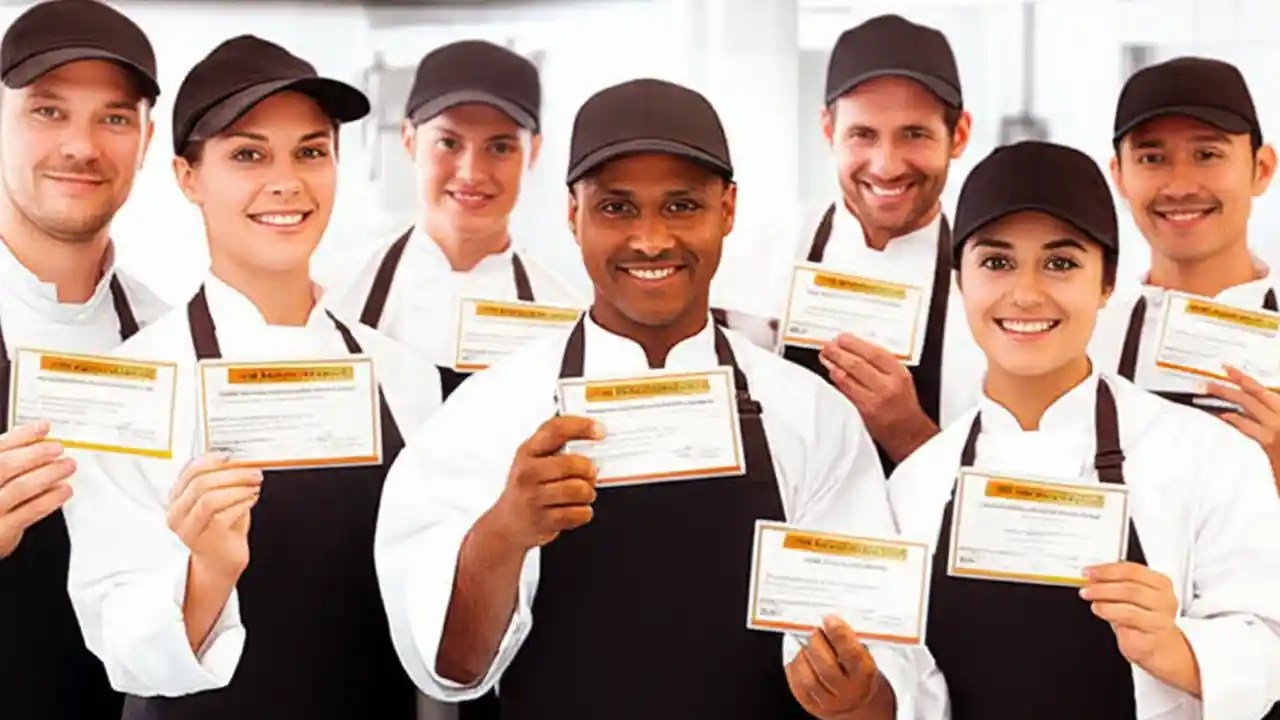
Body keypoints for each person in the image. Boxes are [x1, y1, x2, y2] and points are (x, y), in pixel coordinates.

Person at [374, 77, 923, 720]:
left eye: (682, 206)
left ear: (728, 210)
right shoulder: (489, 413)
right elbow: (450, 670)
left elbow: (881, 673)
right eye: (617, 208)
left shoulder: (810, 414)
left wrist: (857, 694)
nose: (653, 239)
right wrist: (504, 531)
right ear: (573, 215)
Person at [63, 35, 442, 719]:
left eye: (311, 151)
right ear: (187, 177)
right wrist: (208, 571)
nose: (287, 181)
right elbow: (118, 640)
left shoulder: (404, 376)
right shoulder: (136, 383)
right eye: (248, 154)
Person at [888, 140, 1280, 719]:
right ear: (959, 280)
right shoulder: (917, 483)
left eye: (1061, 263)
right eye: (996, 262)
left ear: (1106, 283)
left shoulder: (1211, 455)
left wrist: (1175, 649)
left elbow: (1268, 644)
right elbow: (913, 687)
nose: (1026, 292)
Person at [714, 14, 984, 475]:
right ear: (828, 130)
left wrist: (908, 432)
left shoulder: (991, 284)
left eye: (914, 134)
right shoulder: (758, 257)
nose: (886, 166)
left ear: (957, 136)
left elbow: (1004, 493)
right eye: (863, 134)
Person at [0, 2, 169, 718]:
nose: (81, 146)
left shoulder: (169, 339)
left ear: (147, 139)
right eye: (47, 111)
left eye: (114, 117)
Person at [331, 39, 585, 398]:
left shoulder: (570, 317)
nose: (471, 173)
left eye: (500, 147)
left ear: (534, 152)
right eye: (448, 143)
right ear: (408, 140)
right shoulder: (336, 296)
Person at [1091, 56, 1280, 494]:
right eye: (1152, 157)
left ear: (1261, 168)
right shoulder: (1087, 339)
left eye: (1207, 154)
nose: (1179, 186)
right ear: (1119, 176)